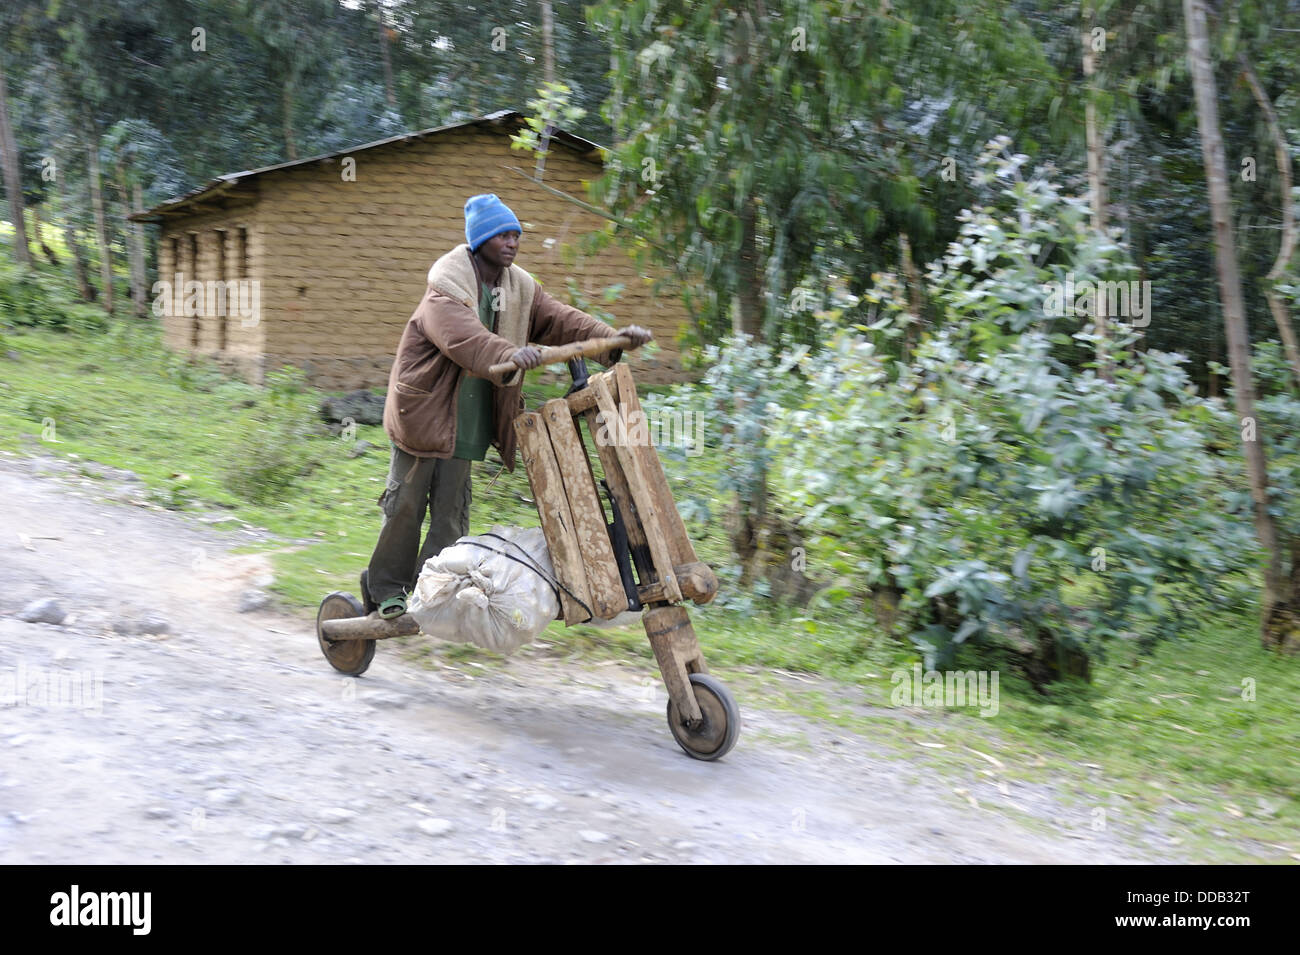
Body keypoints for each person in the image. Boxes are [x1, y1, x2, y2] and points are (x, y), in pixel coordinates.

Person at [364, 193, 652, 618]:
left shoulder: (517, 287)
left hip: (469, 423)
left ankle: (429, 589)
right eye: (503, 235)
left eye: (516, 235)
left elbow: (558, 318)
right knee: (405, 507)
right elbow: (464, 338)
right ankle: (386, 588)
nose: (513, 242)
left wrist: (612, 338)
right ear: (480, 240)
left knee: (451, 516)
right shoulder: (445, 290)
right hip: (424, 416)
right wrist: (510, 353)